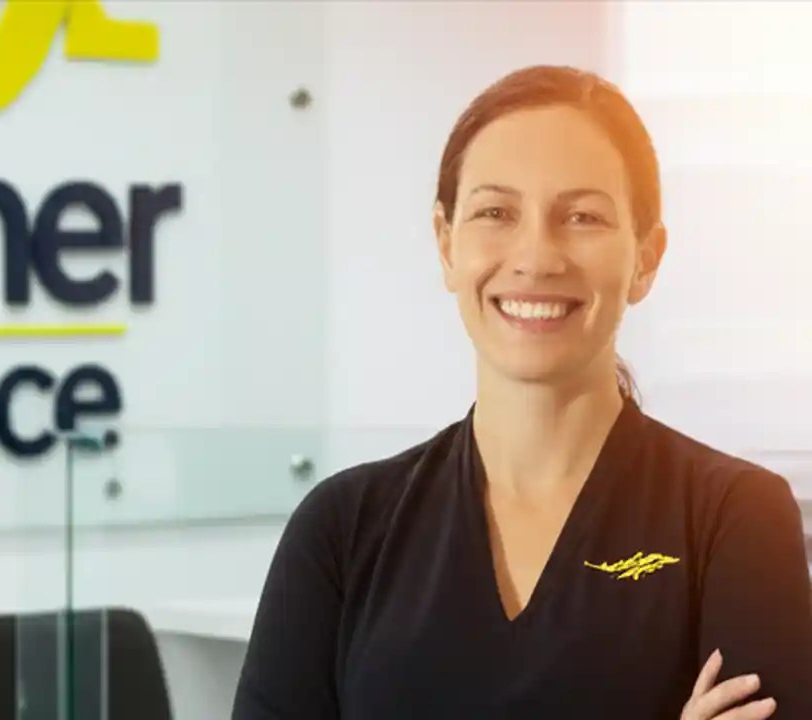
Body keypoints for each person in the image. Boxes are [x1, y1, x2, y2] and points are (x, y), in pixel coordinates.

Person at [231, 65, 812, 719]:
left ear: (646, 258)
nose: (536, 256)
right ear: (447, 244)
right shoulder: (342, 528)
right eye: (496, 213)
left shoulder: (731, 518)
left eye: (583, 216)